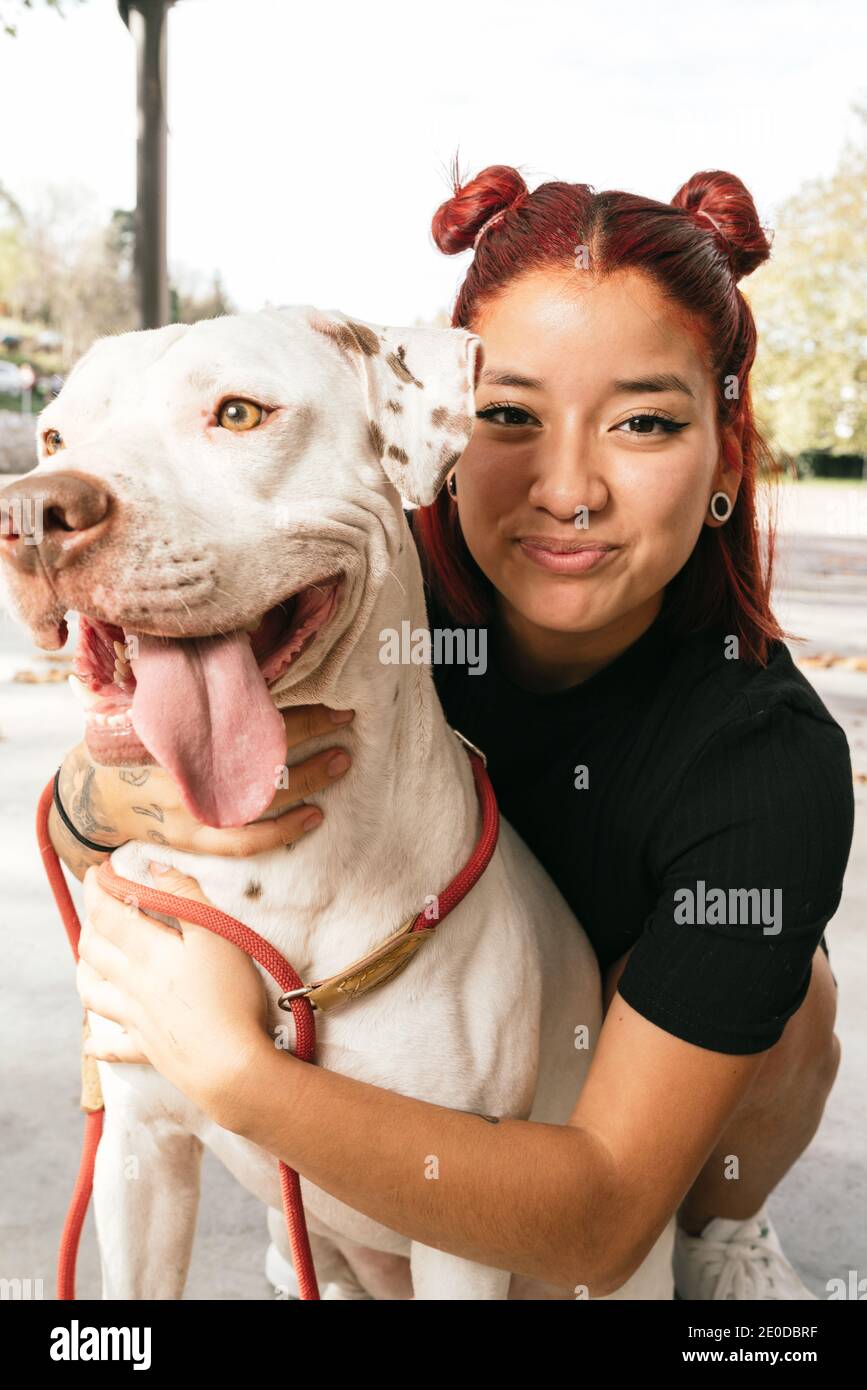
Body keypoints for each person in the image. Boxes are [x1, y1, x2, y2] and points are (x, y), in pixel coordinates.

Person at [52, 165, 855, 1301]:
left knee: (791, 1000)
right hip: (408, 1026)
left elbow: (595, 1220)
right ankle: (334, 1230)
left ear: (725, 461)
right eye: (509, 416)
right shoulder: (358, 596)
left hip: (592, 1081)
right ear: (433, 426)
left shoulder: (763, 757)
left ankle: (719, 1234)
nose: (568, 489)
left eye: (644, 421)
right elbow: (101, 789)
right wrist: (106, 793)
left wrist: (231, 1072)